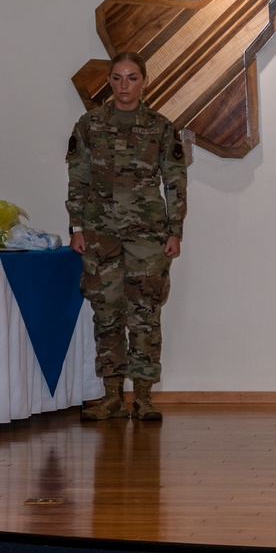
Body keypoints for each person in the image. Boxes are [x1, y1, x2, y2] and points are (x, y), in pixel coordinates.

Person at [66, 51, 187, 421]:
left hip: (147, 237)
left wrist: (175, 231)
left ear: (144, 81)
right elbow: (78, 179)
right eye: (117, 78)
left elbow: (176, 183)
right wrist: (76, 228)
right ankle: (113, 396)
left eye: (132, 78)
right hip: (99, 233)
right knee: (106, 314)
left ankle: (146, 397)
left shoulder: (161, 127)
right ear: (109, 82)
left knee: (146, 314)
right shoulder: (89, 125)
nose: (124, 86)